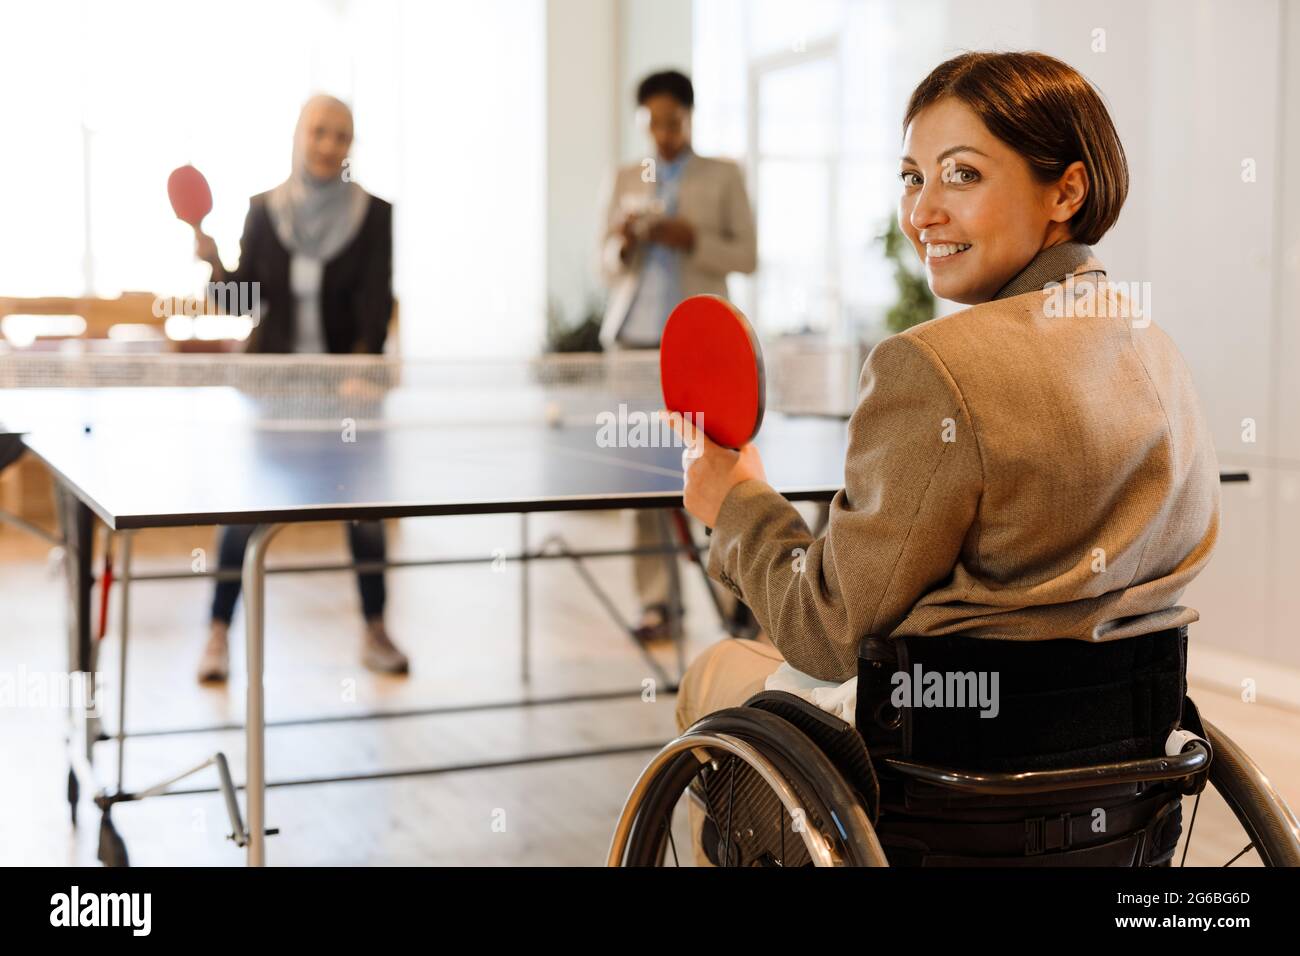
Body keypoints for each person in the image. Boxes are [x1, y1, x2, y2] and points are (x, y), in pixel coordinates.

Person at [670, 51, 1220, 863]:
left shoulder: (930, 366)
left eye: (960, 175)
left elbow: (823, 632)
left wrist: (739, 503)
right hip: (1125, 767)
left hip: (948, 775)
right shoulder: (1160, 349)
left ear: (1066, 191)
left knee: (716, 671)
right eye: (910, 177)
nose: (922, 211)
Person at [192, 94, 409, 682]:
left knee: (365, 514)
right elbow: (243, 302)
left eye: (342, 135)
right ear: (299, 135)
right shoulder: (264, 210)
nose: (330, 144)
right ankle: (216, 635)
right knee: (242, 517)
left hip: (346, 394)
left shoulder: (375, 214)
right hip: (275, 390)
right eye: (320, 132)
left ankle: (375, 629)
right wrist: (214, 263)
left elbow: (375, 302)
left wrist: (362, 368)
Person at [597, 69, 757, 643]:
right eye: (653, 124)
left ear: (689, 117)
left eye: (673, 121)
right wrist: (624, 241)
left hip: (700, 353)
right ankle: (657, 604)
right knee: (641, 483)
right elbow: (605, 265)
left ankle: (735, 598)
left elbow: (748, 255)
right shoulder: (624, 178)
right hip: (634, 347)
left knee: (715, 472)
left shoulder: (723, 176)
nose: (663, 133)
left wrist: (691, 240)